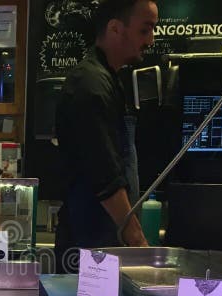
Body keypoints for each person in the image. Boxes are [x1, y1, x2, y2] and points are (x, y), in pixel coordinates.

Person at [54, 0, 158, 272]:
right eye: (144, 30)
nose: (151, 40)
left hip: (102, 241)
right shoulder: (90, 86)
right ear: (115, 28)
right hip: (88, 246)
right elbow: (105, 176)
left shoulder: (109, 80)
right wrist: (136, 239)